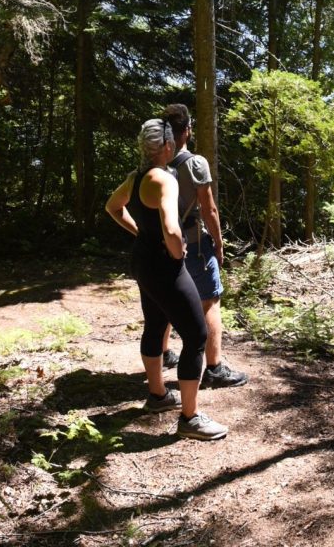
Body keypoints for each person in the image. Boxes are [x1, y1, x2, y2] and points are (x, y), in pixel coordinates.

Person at [105, 118, 228, 440]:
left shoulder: (136, 178)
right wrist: (176, 252)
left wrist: (140, 232)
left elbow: (112, 207)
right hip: (164, 264)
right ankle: (190, 418)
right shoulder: (166, 179)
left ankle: (158, 396)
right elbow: (172, 228)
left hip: (142, 261)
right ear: (169, 146)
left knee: (155, 324)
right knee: (196, 335)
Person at [161, 103, 248, 389]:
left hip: (161, 243)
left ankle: (163, 354)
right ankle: (214, 368)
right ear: (186, 131)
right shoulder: (194, 163)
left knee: (166, 300)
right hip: (194, 245)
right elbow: (209, 210)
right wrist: (220, 245)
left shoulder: (155, 164)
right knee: (209, 301)